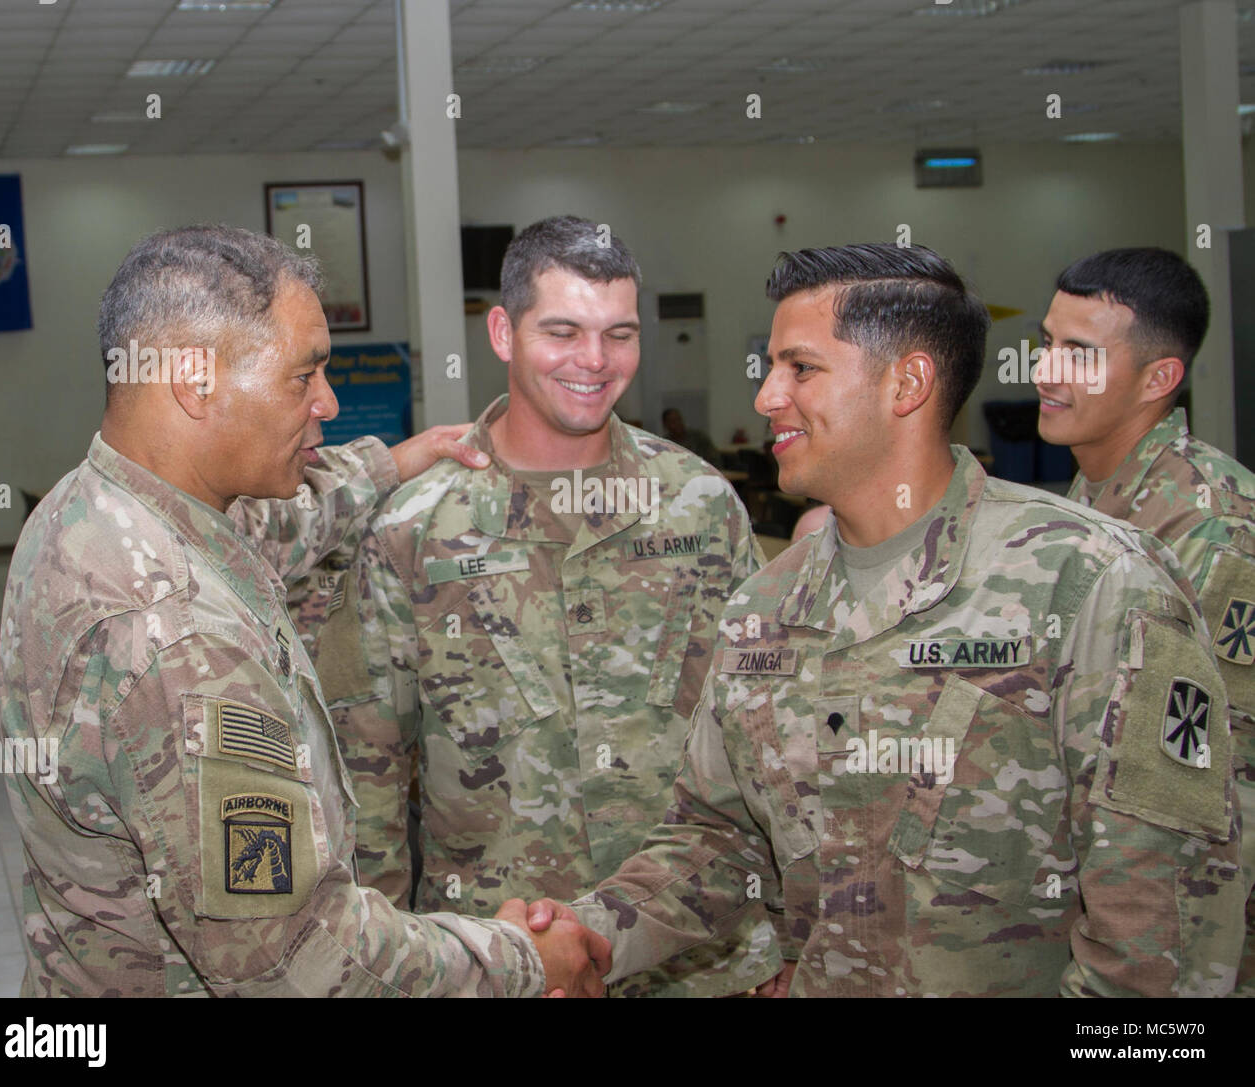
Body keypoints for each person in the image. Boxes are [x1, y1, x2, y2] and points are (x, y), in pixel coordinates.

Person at [529, 242, 1246, 996]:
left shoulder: (1091, 585)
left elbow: (1164, 940)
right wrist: (589, 934)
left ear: (906, 383)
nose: (768, 395)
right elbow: (716, 838)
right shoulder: (766, 610)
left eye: (800, 368)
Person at [0, 224, 609, 997]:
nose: (329, 400)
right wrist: (518, 958)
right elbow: (299, 964)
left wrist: (396, 460)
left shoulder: (95, 510)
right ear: (195, 381)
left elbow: (276, 528)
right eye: (303, 375)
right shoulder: (178, 639)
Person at [308, 216, 781, 996]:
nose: (594, 361)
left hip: (700, 959)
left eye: (618, 334)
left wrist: (784, 931)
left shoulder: (699, 506)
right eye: (562, 331)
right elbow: (370, 776)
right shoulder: (412, 528)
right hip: (500, 957)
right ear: (502, 331)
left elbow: (761, 739)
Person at [1035, 246, 1255, 993]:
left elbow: (1212, 789)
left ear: (1159, 378)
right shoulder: (1096, 497)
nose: (1044, 372)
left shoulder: (1211, 529)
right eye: (1047, 343)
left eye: (1078, 354)